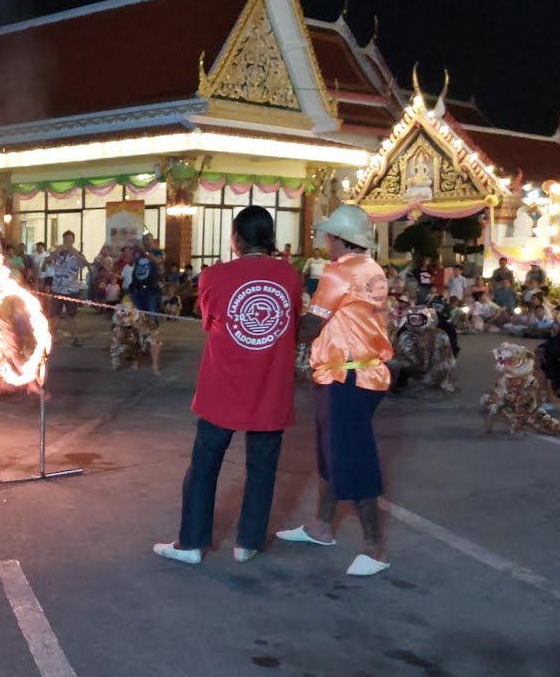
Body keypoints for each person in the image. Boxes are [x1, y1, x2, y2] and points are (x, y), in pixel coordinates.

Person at [154, 207, 302, 566]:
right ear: (268, 236)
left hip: (223, 388)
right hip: (270, 388)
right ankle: (247, 544)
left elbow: (210, 322)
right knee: (262, 469)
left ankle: (191, 543)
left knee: (204, 466)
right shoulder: (290, 276)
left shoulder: (214, 276)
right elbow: (291, 324)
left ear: (236, 239)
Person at [278, 204, 393, 577]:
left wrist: (274, 330)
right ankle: (322, 526)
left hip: (347, 377)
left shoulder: (339, 274)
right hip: (360, 374)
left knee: (352, 459)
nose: (325, 242)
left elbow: (310, 326)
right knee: (333, 454)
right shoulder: (372, 270)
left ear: (338, 238)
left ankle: (374, 550)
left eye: (328, 235)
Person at [49, 230, 90, 345]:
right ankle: (51, 338)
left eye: (70, 240)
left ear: (73, 241)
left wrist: (75, 252)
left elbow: (86, 264)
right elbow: (47, 261)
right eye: (65, 239)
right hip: (57, 288)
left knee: (71, 315)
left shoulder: (77, 255)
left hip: (71, 289)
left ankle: (75, 338)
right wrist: (57, 251)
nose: (67, 242)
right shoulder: (58, 253)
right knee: (55, 315)